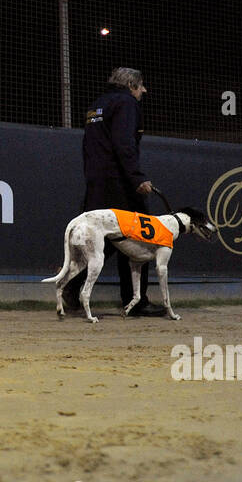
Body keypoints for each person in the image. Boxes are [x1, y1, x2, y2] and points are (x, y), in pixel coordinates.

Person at [61, 67, 166, 317]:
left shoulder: (97, 105)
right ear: (131, 84)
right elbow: (124, 143)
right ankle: (135, 301)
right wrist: (137, 177)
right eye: (141, 86)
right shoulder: (126, 103)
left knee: (102, 239)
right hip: (121, 183)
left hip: (97, 183)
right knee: (138, 240)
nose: (144, 90)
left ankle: (72, 287)